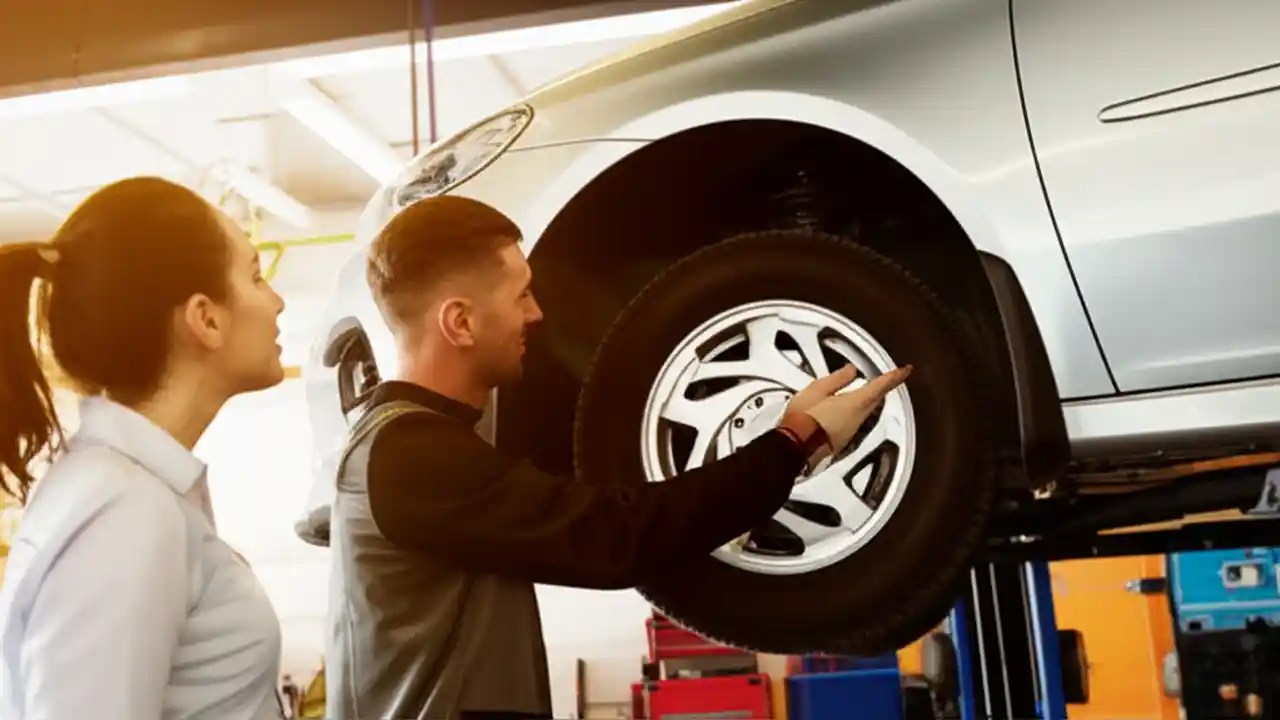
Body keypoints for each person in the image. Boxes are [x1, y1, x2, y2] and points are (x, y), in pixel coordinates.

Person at [325, 195, 912, 720]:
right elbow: (618, 536)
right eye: (521, 294)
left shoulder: (416, 445)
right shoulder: (410, 457)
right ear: (460, 321)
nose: (536, 314)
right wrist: (795, 442)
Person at [0, 177, 289, 719]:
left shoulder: (132, 490)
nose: (276, 301)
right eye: (255, 276)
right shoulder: (126, 510)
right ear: (205, 318)